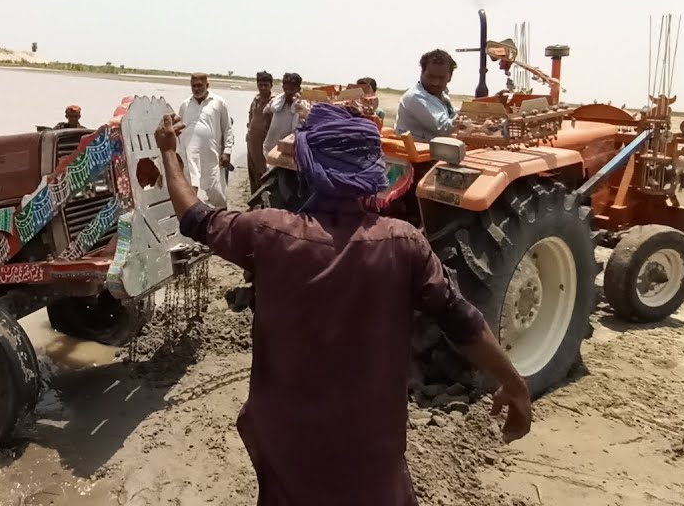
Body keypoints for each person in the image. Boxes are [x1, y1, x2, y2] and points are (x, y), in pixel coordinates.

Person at [153, 104, 533, 505]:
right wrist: (513, 382)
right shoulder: (404, 243)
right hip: (370, 446)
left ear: (308, 166)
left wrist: (168, 152)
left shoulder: (269, 232)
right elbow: (461, 320)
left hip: (288, 443)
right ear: (372, 171)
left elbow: (195, 217)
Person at [177, 73, 234, 209]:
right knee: (191, 187)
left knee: (216, 191)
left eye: (199, 86)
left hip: (211, 154)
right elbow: (178, 129)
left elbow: (227, 129)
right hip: (189, 154)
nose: (196, 89)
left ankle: (223, 214)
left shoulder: (218, 103)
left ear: (207, 85)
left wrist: (227, 151)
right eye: (193, 86)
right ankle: (191, 216)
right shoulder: (185, 105)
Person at [394, 49, 458, 142]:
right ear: (422, 72)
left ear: (450, 77)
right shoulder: (415, 97)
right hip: (416, 149)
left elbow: (452, 116)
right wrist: (465, 119)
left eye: (441, 78)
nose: (435, 82)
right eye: (431, 76)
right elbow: (444, 128)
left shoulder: (442, 98)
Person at [261, 72, 308, 160]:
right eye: (286, 89)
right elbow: (266, 113)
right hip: (272, 144)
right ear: (283, 88)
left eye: (292, 89)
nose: (288, 92)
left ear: (298, 89)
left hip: (291, 149)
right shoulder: (276, 102)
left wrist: (301, 110)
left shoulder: (303, 105)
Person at [245, 72, 274, 193]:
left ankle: (263, 198)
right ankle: (254, 196)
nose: (262, 88)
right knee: (252, 170)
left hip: (264, 142)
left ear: (271, 85)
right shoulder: (255, 100)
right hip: (251, 140)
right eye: (260, 85)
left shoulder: (274, 103)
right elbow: (251, 117)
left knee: (263, 170)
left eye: (265, 85)